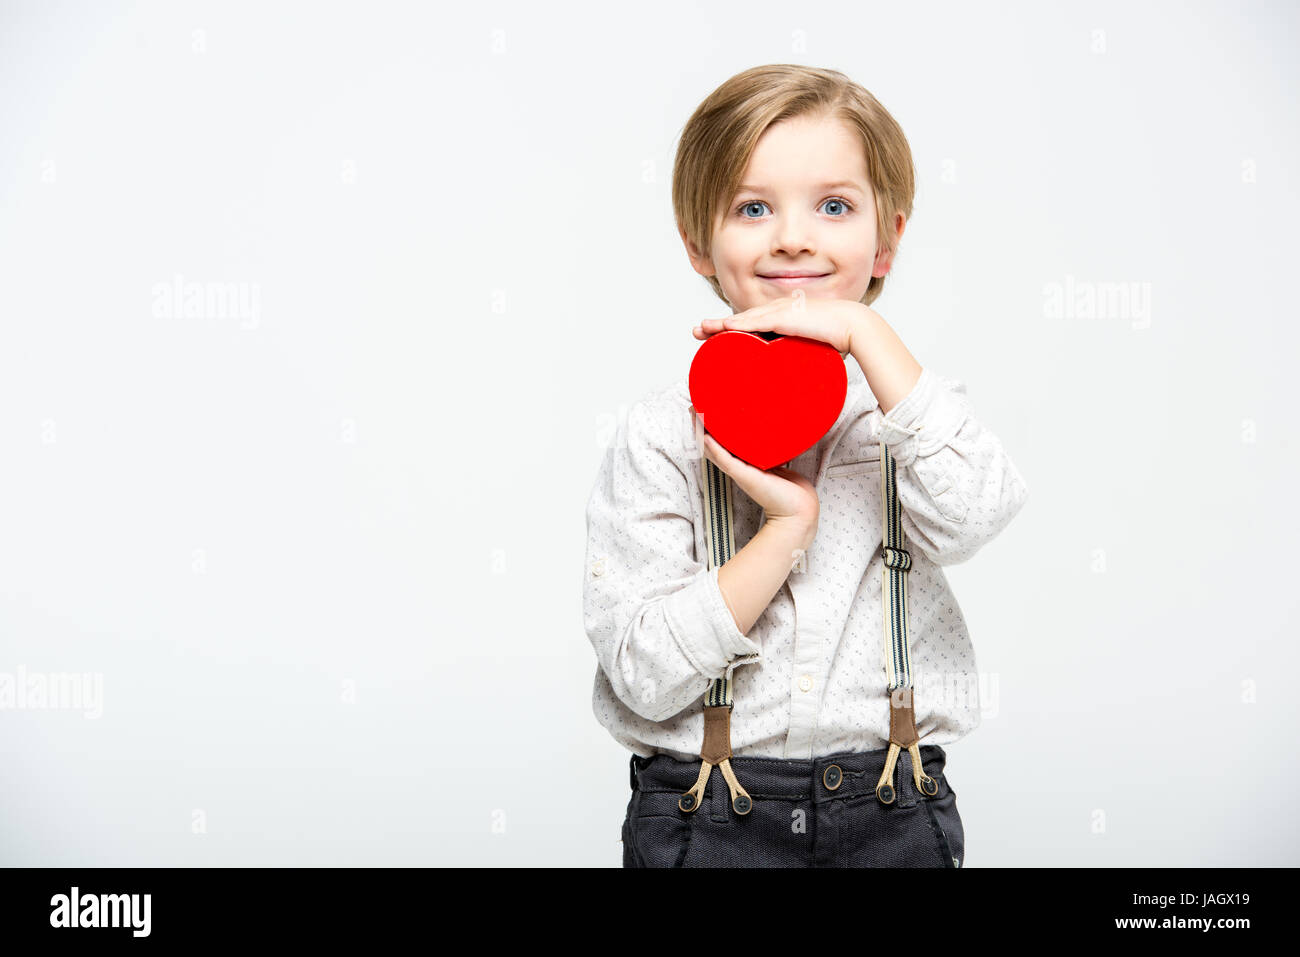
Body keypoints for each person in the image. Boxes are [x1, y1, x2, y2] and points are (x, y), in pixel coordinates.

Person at [583, 64, 1029, 867]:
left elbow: (976, 513)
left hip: (892, 803)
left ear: (887, 238)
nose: (794, 236)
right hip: (703, 810)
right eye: (753, 208)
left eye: (834, 206)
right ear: (696, 242)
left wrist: (865, 334)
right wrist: (784, 531)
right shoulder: (659, 432)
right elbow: (644, 672)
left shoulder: (910, 415)